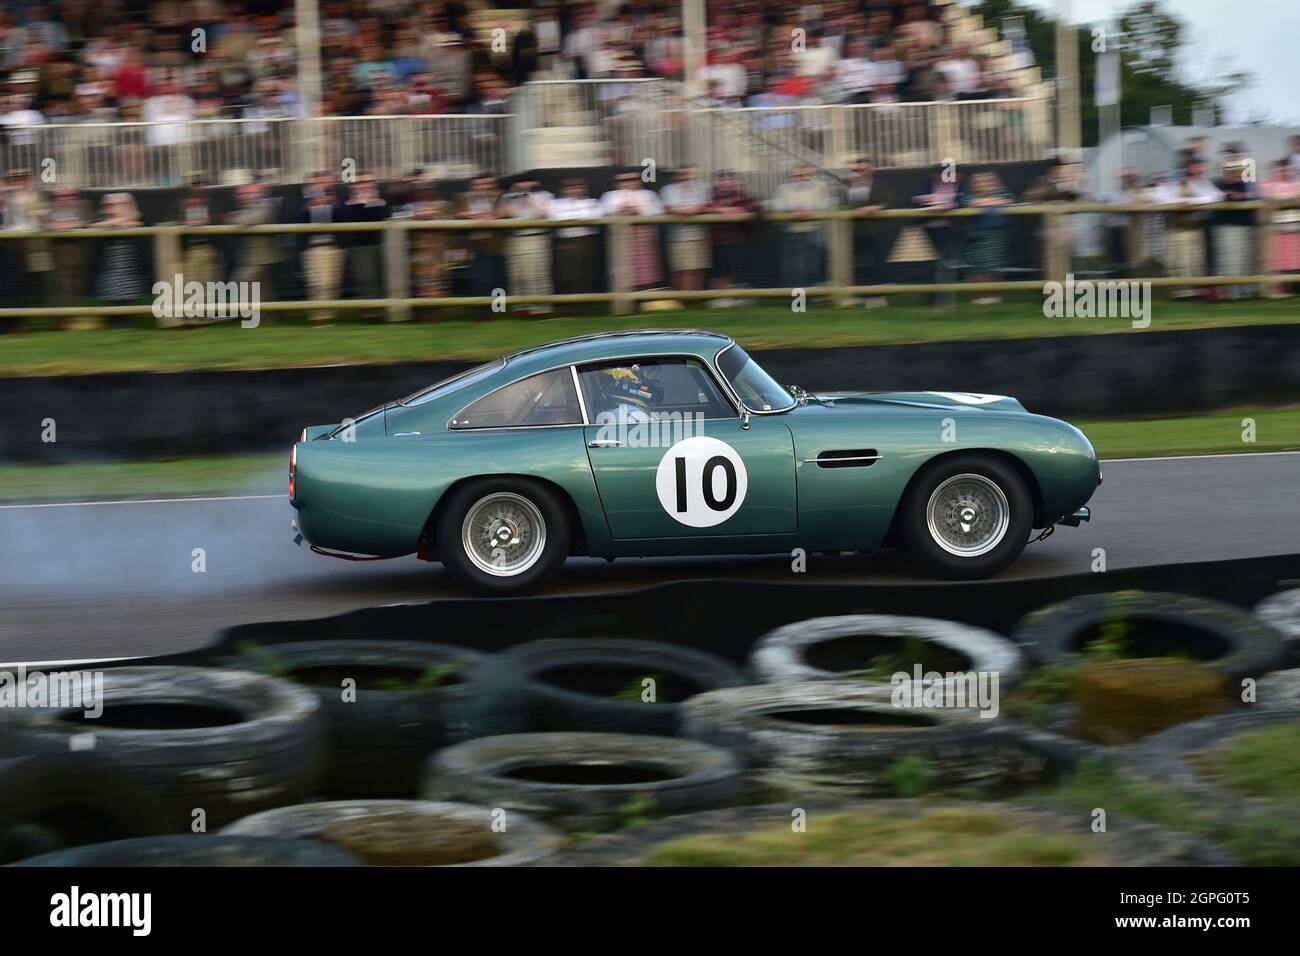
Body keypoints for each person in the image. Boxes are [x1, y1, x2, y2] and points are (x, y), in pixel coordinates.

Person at [1152, 158, 1223, 298]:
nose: (1197, 171)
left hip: (1193, 227)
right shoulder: (1170, 184)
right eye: (1194, 168)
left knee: (1194, 260)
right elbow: (1158, 197)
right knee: (1174, 260)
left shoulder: (1201, 183)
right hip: (1174, 228)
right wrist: (1178, 202)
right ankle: (1179, 292)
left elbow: (1216, 196)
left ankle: (1193, 291)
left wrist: (1192, 202)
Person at [599, 171, 665, 292]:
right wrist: (619, 210)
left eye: (632, 180)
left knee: (646, 267)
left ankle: (647, 293)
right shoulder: (609, 195)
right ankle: (625, 296)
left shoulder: (648, 194)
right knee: (622, 266)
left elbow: (658, 211)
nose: (629, 183)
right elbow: (603, 212)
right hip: (620, 237)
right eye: (624, 181)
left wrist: (639, 210)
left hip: (644, 236)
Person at [498, 177, 555, 315]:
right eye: (520, 187)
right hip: (515, 238)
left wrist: (531, 201)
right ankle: (521, 307)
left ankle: (541, 308)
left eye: (527, 186)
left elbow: (547, 214)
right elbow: (501, 214)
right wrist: (512, 198)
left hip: (536, 236)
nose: (524, 189)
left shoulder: (545, 195)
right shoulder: (509, 197)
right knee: (517, 274)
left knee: (536, 274)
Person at [297, 172, 346, 324]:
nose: (319, 186)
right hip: (313, 248)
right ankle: (318, 317)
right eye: (315, 183)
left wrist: (333, 202)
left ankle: (328, 316)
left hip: (333, 247)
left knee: (332, 284)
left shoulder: (337, 199)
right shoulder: (303, 203)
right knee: (316, 284)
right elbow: (297, 220)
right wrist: (309, 205)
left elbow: (344, 217)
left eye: (322, 183)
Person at [92, 192, 147, 323]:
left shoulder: (137, 216)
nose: (116, 207)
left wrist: (118, 223)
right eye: (113, 205)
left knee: (128, 298)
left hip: (129, 267)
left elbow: (138, 224)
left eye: (122, 204)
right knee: (111, 295)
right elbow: (94, 226)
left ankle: (128, 320)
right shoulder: (101, 217)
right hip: (110, 266)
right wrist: (115, 223)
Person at [707, 170, 759, 307]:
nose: (727, 183)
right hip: (716, 240)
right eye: (723, 180)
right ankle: (719, 298)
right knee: (718, 270)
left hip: (739, 239)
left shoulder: (743, 194)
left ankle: (731, 297)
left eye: (730, 180)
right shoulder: (711, 194)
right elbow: (705, 207)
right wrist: (723, 210)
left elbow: (750, 208)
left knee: (734, 269)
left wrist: (732, 210)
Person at [773, 165, 831, 289]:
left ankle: (810, 298)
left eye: (806, 175)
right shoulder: (783, 188)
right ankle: (796, 301)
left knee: (811, 265)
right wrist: (793, 209)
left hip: (812, 231)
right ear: (791, 177)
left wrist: (809, 210)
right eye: (797, 176)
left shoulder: (820, 186)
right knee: (793, 268)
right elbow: (778, 205)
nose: (802, 178)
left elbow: (825, 203)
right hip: (790, 232)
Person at [962, 171, 1014, 304]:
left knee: (994, 266)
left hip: (996, 237)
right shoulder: (969, 194)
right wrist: (991, 202)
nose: (984, 184)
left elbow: (1009, 201)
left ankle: (993, 295)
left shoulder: (1003, 191)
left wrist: (988, 202)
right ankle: (980, 296)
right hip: (975, 238)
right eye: (980, 182)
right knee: (976, 267)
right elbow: (969, 202)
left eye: (988, 182)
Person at [342, 174, 389, 318]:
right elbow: (349, 218)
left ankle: (381, 310)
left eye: (368, 181)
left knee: (381, 278)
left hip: (381, 244)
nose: (364, 185)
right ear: (353, 186)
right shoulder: (348, 202)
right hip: (360, 246)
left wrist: (373, 201)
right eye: (360, 182)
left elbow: (385, 215)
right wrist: (364, 202)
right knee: (366, 279)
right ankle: (369, 312)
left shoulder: (382, 200)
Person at [659, 165, 712, 293]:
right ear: (676, 176)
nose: (685, 177)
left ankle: (696, 298)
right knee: (681, 269)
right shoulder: (667, 189)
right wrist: (690, 211)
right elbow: (668, 208)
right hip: (677, 236)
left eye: (688, 173)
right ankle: (683, 299)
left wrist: (688, 211)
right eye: (681, 174)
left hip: (701, 234)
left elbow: (704, 206)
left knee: (699, 267)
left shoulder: (704, 187)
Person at [225, 181, 280, 302]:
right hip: (250, 257)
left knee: (243, 281)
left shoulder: (267, 204)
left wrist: (235, 218)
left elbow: (252, 219)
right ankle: (265, 317)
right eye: (240, 194)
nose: (243, 196)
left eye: (249, 192)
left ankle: (254, 315)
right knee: (263, 288)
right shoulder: (248, 207)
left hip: (263, 257)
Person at [547, 178, 602, 296]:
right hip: (564, 241)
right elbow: (554, 216)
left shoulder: (592, 202)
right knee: (565, 273)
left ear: (584, 189)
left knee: (584, 271)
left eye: (577, 187)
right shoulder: (555, 203)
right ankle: (568, 304)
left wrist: (569, 215)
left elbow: (593, 215)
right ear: (563, 190)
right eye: (569, 188)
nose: (573, 190)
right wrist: (577, 215)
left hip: (585, 240)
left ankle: (584, 302)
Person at [844, 158, 887, 306]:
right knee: (855, 265)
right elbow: (841, 204)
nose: (859, 173)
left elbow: (887, 201)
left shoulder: (879, 184)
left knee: (872, 263)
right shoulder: (847, 185)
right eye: (856, 170)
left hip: (873, 231)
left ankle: (875, 296)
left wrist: (876, 208)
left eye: (863, 170)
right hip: (851, 233)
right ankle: (858, 294)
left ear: (870, 171)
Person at [1213, 159, 1257, 300]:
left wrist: (1242, 196)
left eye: (1237, 170)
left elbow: (1254, 195)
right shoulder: (1218, 184)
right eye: (1231, 170)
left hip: (1245, 226)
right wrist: (1236, 196)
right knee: (1230, 261)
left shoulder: (1245, 184)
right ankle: (1231, 294)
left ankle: (1244, 292)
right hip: (1228, 227)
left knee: (1245, 261)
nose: (1235, 173)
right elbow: (1222, 197)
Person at [455, 176, 505, 298]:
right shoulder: (462, 197)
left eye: (487, 183)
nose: (483, 187)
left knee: (497, 277)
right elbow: (458, 213)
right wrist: (477, 216)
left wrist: (491, 217)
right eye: (479, 184)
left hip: (496, 244)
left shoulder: (500, 195)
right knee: (480, 278)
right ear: (472, 186)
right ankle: (482, 310)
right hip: (474, 244)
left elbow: (504, 212)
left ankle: (498, 308)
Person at [1261, 160, 1300, 298]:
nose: (1285, 172)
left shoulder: (1296, 184)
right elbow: (1269, 198)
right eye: (1282, 169)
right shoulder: (1269, 184)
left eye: (1287, 169)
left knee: (1294, 260)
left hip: (1294, 227)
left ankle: (1293, 288)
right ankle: (1278, 289)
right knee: (1278, 260)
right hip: (1276, 228)